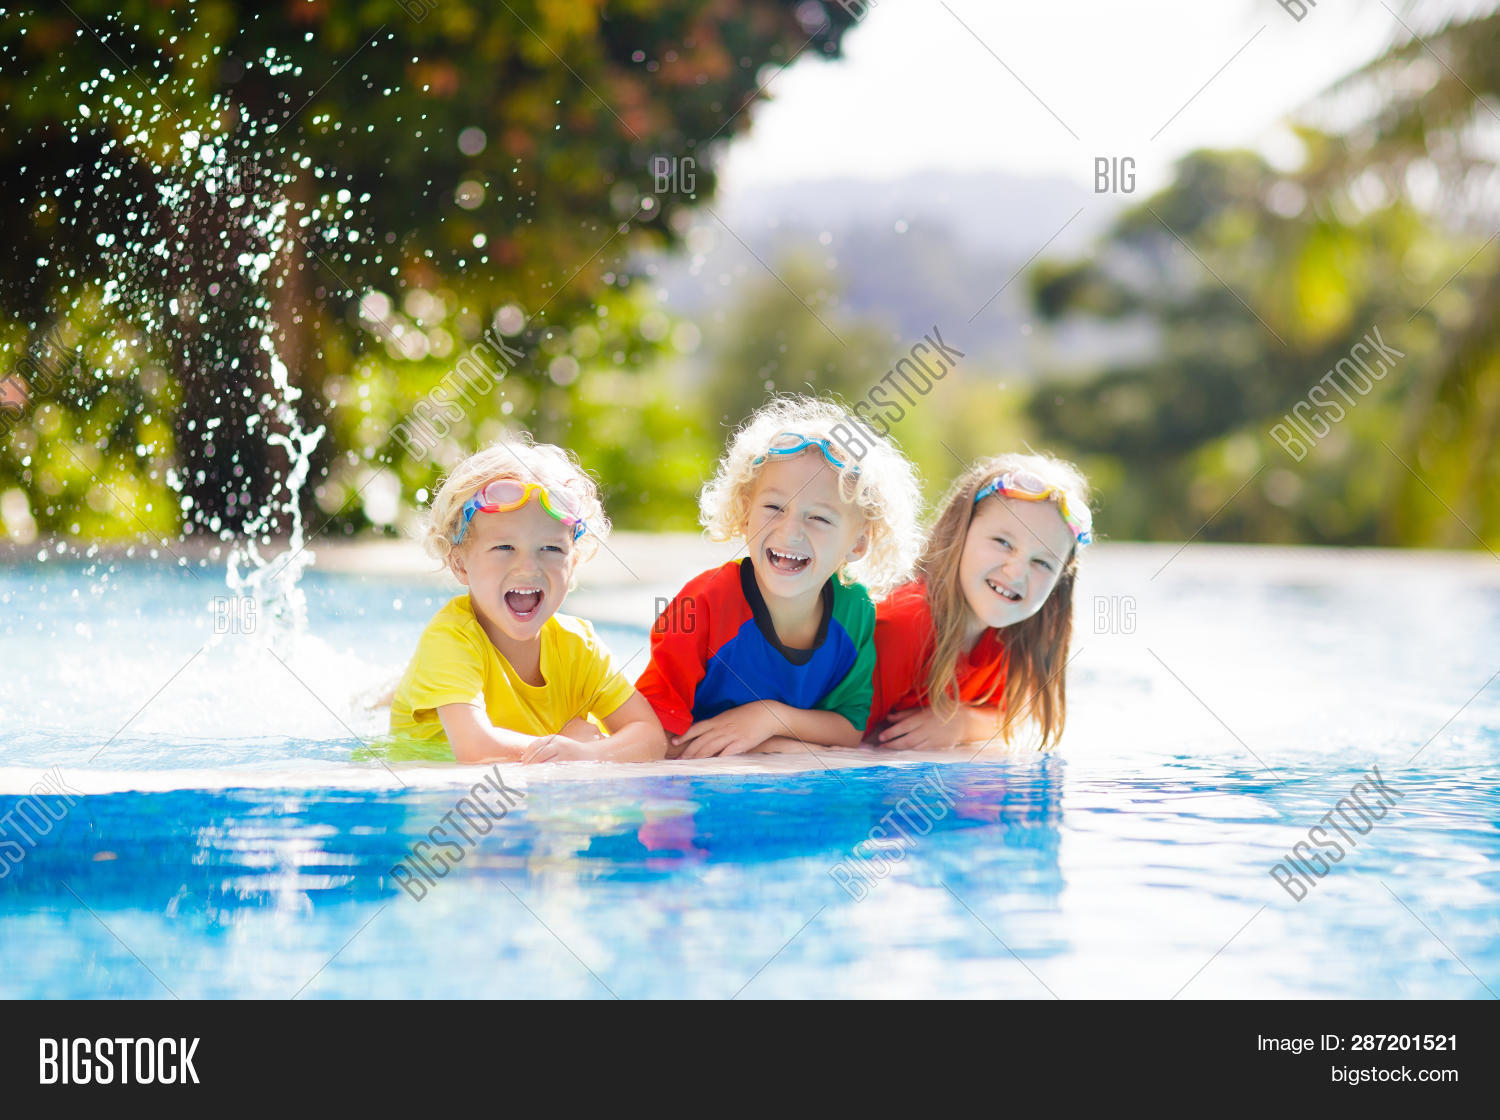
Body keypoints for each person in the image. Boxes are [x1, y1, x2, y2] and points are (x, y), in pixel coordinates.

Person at [637, 396, 922, 758]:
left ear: (859, 542)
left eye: (819, 518)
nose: (790, 532)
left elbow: (849, 727)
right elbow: (646, 733)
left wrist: (770, 718)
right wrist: (765, 748)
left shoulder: (855, 610)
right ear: (745, 514)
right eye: (774, 507)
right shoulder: (701, 605)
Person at [389, 438, 667, 763]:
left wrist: (586, 752)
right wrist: (566, 748)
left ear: (573, 562)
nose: (529, 567)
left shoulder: (579, 646)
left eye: (551, 549)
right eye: (504, 547)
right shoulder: (450, 640)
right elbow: (475, 750)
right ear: (460, 564)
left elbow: (650, 735)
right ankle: (394, 691)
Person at [867, 452, 1092, 752]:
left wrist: (962, 723)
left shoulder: (1021, 633)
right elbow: (841, 739)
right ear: (958, 531)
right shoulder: (906, 626)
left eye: (1042, 562)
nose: (1016, 572)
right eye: (1003, 543)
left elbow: (1016, 714)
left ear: (1060, 581)